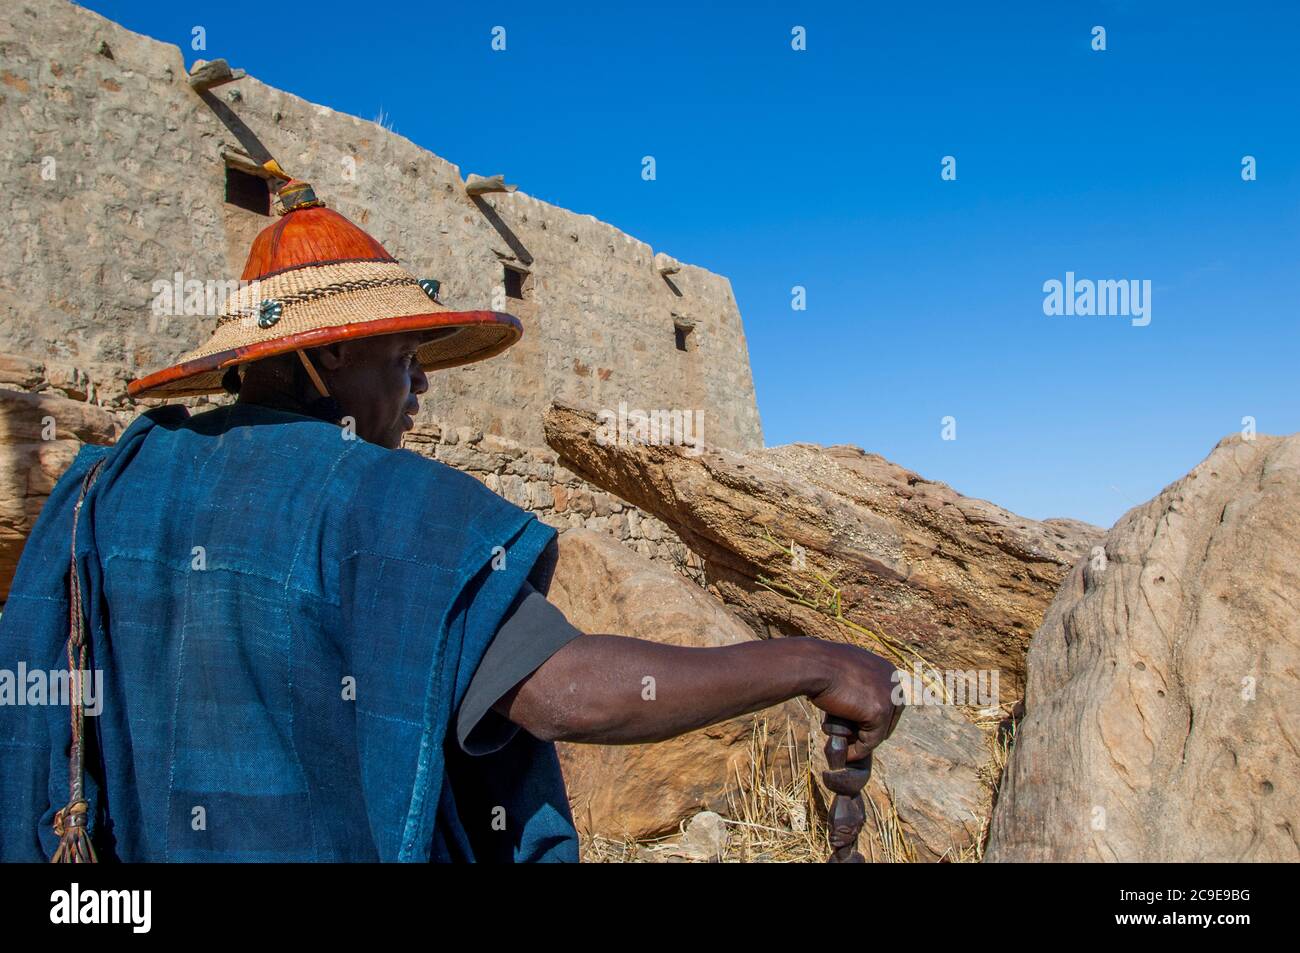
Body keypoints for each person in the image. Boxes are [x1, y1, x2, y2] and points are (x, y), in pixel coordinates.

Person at [0, 179, 902, 862]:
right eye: (405, 357)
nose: (422, 384)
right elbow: (557, 690)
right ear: (332, 357)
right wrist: (811, 660)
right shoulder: (385, 502)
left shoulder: (103, 489)